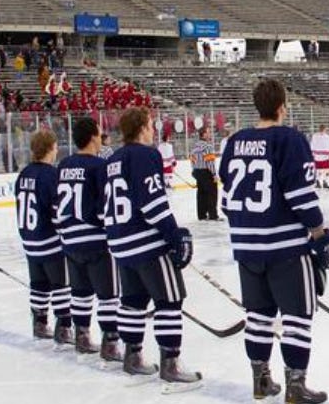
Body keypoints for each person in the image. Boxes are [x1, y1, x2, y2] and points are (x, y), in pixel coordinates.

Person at [219, 78, 329, 404]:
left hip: (246, 248)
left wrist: (247, 232)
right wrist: (319, 234)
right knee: (297, 318)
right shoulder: (289, 139)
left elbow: (227, 200)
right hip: (285, 248)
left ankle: (261, 384)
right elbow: (300, 195)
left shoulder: (236, 141)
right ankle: (296, 389)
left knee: (257, 317)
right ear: (282, 105)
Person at [105, 107, 200, 386]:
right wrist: (174, 235)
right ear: (142, 128)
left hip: (121, 244)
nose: (153, 129)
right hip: (147, 243)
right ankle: (170, 363)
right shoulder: (147, 155)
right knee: (169, 300)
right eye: (150, 124)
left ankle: (132, 356)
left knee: (132, 302)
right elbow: (152, 203)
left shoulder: (113, 159)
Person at [55, 117, 122, 362]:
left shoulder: (63, 165)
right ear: (94, 136)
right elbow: (105, 205)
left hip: (70, 239)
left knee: (80, 292)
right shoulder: (99, 166)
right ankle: (110, 342)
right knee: (108, 295)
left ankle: (82, 336)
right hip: (95, 239)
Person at [16, 128, 78, 346]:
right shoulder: (51, 175)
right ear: (50, 148)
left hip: (30, 240)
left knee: (38, 283)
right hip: (49, 241)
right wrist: (67, 236)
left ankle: (39, 322)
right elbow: (56, 211)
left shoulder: (24, 174)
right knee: (61, 284)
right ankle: (63, 326)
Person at [191, 127, 219, 219]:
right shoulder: (207, 146)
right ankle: (213, 215)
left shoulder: (195, 146)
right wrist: (214, 174)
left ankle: (201, 215)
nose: (210, 134)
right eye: (208, 132)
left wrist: (195, 171)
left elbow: (192, 160)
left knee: (201, 194)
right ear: (203, 134)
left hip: (198, 172)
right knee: (212, 193)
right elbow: (210, 162)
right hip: (206, 172)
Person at [309, 125, 329, 189]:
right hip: (324, 156)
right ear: (324, 129)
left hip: (317, 156)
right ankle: (324, 182)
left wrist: (312, 154)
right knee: (326, 170)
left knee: (319, 170)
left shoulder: (315, 136)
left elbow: (312, 145)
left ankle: (318, 182)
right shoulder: (327, 137)